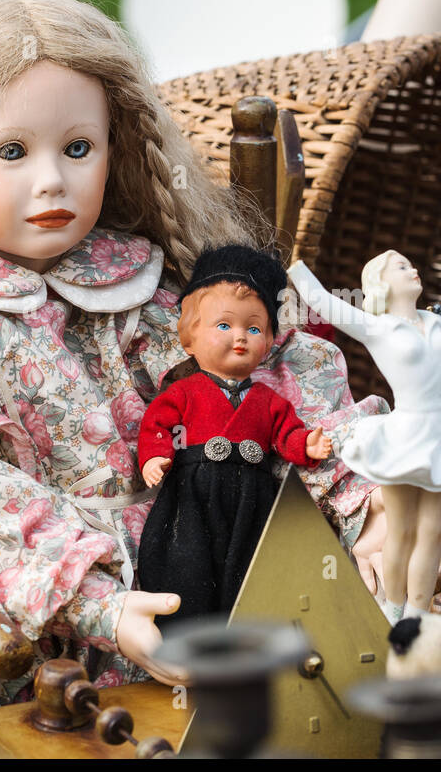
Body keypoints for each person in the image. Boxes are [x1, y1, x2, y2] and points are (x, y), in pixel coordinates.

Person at [0, 0, 387, 701]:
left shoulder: (147, 290)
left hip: (225, 585)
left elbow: (276, 385)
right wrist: (97, 600)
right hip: (52, 649)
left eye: (77, 148)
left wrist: (363, 497)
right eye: (11, 152)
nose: (51, 180)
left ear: (113, 147)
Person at [287, 251, 441, 624]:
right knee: (400, 531)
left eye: (411, 264)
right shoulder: (377, 327)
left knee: (432, 533)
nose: (414, 269)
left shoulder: (437, 320)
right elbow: (325, 302)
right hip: (404, 437)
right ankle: (393, 608)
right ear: (382, 283)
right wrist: (297, 269)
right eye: (401, 267)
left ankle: (417, 614)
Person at [137, 245, 334, 626]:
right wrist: (154, 457)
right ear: (190, 337)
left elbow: (287, 432)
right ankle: (188, 633)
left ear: (268, 344)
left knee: (251, 564)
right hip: (193, 491)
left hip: (253, 496)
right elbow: (157, 424)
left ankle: (244, 635)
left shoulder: (268, 400)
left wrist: (306, 445)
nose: (239, 337)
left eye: (254, 328)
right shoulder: (184, 391)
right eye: (223, 326)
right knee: (189, 561)